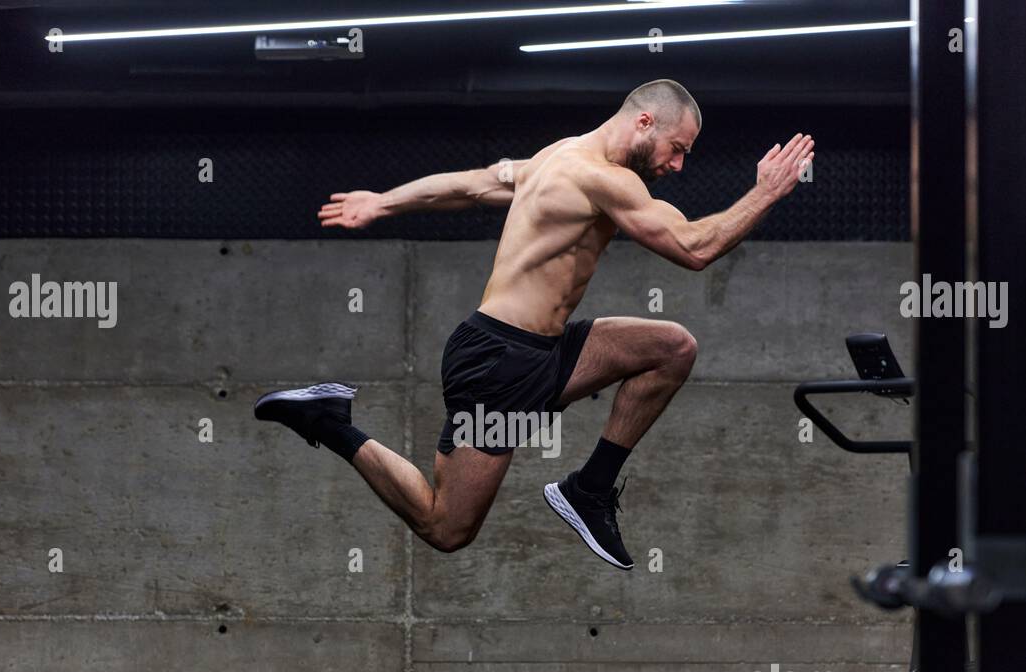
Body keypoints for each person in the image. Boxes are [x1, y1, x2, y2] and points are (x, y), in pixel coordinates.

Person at [256, 79, 813, 569]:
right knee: (446, 527)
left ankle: (589, 490)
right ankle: (329, 421)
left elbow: (471, 185)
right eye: (676, 149)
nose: (677, 165)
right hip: (499, 366)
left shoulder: (554, 158)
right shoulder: (605, 179)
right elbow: (695, 248)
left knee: (671, 347)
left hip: (541, 353)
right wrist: (765, 192)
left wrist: (385, 202)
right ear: (645, 120)